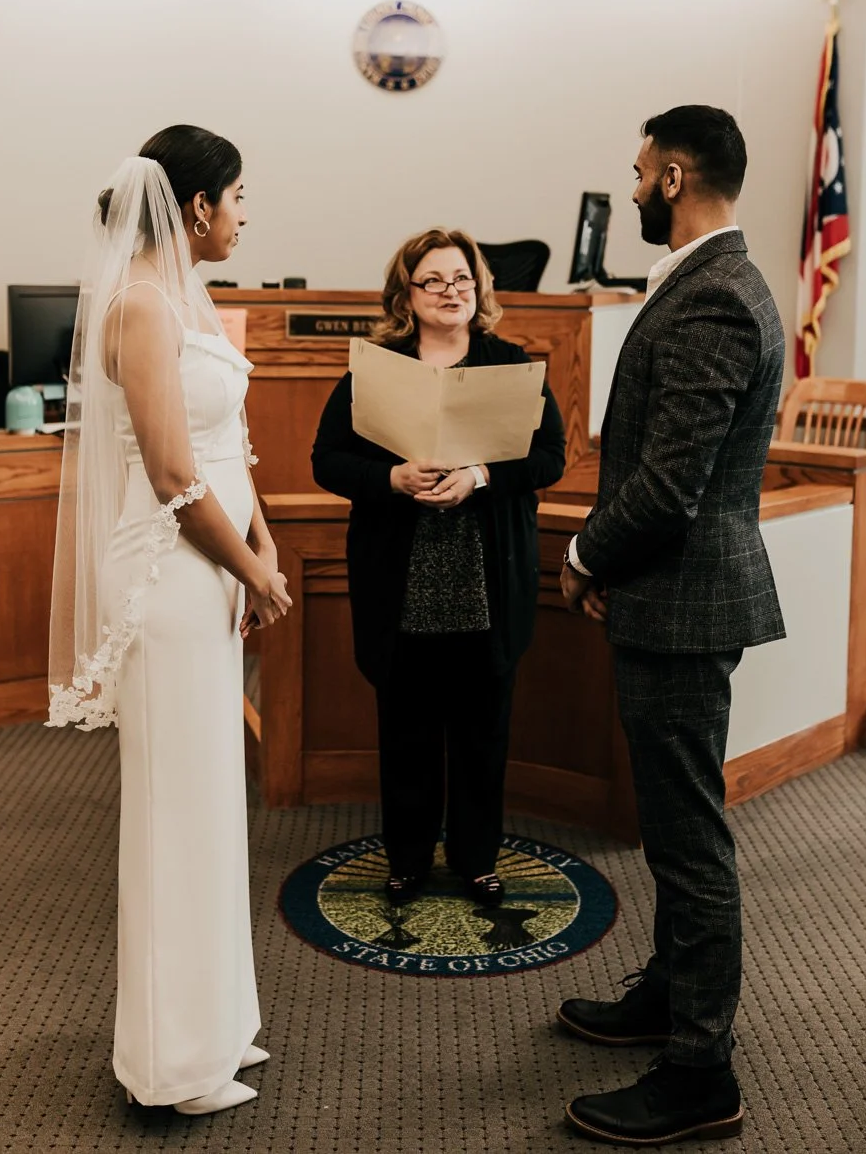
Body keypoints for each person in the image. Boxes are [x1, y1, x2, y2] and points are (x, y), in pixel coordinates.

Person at [48, 126, 292, 1116]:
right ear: (196, 206)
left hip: (213, 567)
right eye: (238, 196)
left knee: (213, 803)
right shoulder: (140, 307)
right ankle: (171, 1065)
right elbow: (172, 476)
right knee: (176, 814)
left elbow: (229, 445)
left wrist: (262, 541)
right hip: (169, 572)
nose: (244, 214)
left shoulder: (191, 296)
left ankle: (218, 1022)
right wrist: (252, 571)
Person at [557, 106, 785, 1147]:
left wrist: (583, 556)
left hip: (686, 603)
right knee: (669, 822)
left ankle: (700, 1070)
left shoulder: (717, 296)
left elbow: (669, 487)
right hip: (671, 594)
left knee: (690, 840)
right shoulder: (705, 281)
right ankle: (665, 992)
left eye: (642, 170)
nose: (635, 185)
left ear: (676, 177)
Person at [312, 227, 566, 906]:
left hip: (487, 582)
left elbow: (550, 458)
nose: (451, 291)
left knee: (483, 732)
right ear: (407, 294)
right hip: (403, 582)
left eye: (461, 278)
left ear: (478, 287)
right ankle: (408, 858)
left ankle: (477, 858)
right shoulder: (377, 370)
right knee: (407, 731)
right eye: (433, 280)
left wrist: (481, 475)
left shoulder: (509, 364)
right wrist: (390, 478)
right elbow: (326, 460)